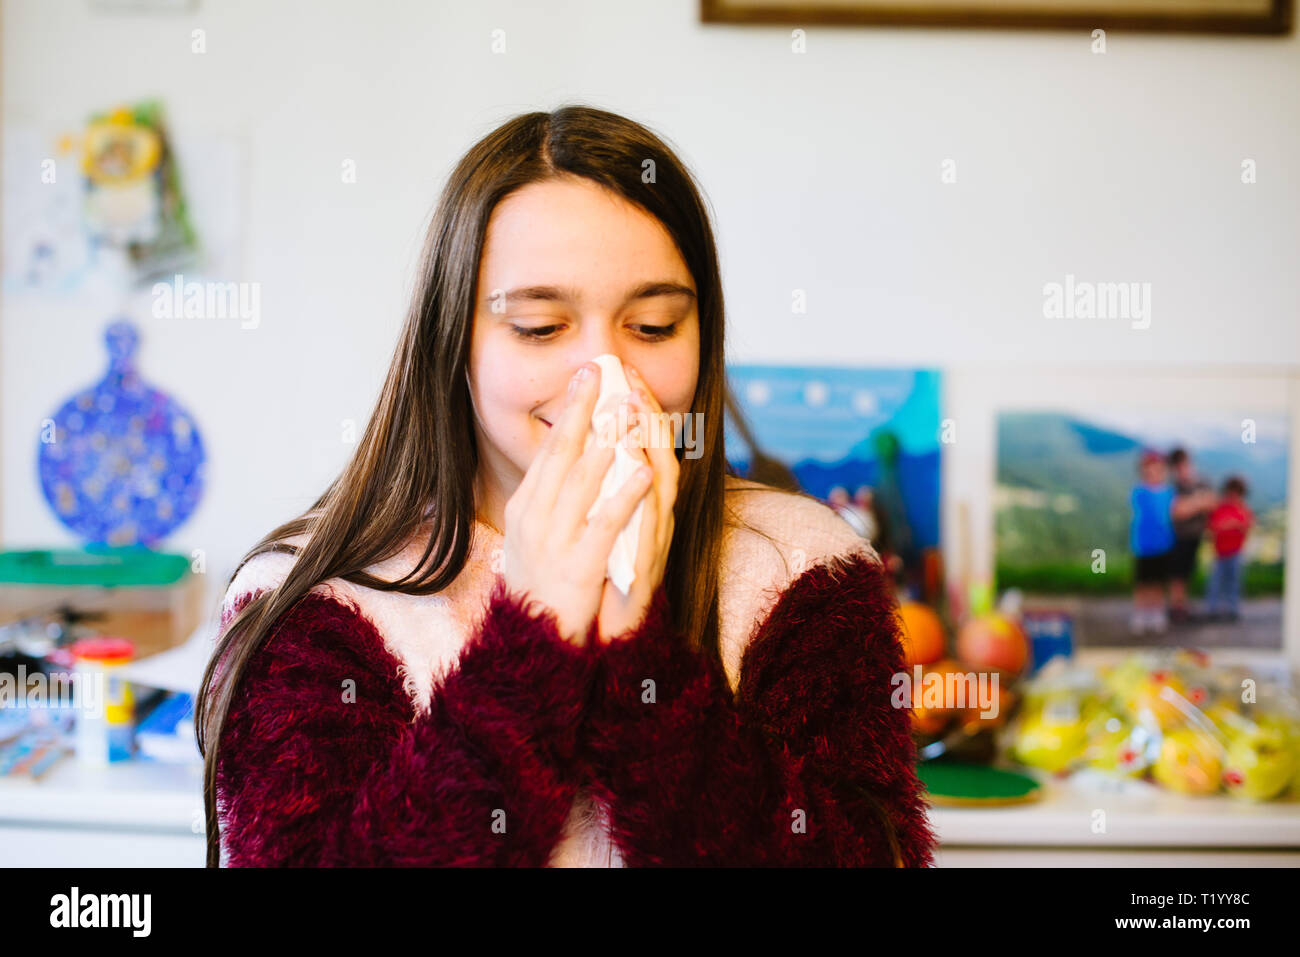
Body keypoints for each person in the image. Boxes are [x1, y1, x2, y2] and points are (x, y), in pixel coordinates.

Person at [197, 106, 936, 868]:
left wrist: (639, 655)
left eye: (652, 326)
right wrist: (533, 637)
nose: (605, 377)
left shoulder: (802, 571)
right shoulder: (315, 600)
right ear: (455, 341)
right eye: (540, 327)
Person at [1165, 448, 1215, 623]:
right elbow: (1177, 512)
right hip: (1178, 536)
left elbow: (1212, 503)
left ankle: (1182, 606)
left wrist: (1190, 504)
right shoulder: (1174, 486)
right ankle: (1175, 607)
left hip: (1195, 535)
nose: (1183, 469)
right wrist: (1199, 501)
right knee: (1177, 574)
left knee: (1187, 572)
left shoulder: (1201, 481)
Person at [1130, 450, 1175, 635]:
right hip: (1142, 547)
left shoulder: (1169, 493)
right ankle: (1141, 614)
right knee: (1142, 584)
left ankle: (1157, 614)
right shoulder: (1139, 492)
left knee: (1158, 583)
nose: (1153, 474)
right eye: (1149, 471)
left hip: (1163, 546)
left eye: (1157, 470)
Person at [1206, 476, 1254, 622]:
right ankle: (1212, 610)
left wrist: (1231, 524)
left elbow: (1246, 525)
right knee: (1216, 582)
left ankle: (1233, 610)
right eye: (1230, 493)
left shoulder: (1243, 509)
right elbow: (1213, 526)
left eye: (1236, 494)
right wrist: (1230, 524)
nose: (1233, 497)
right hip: (1220, 553)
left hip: (1236, 553)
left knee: (1233, 582)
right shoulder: (1220, 508)